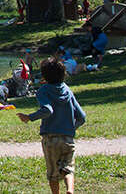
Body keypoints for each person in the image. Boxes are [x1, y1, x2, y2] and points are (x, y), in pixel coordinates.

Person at [17, 57, 87, 194]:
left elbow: (47, 110)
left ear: (44, 75)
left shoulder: (43, 91)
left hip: (50, 139)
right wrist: (71, 128)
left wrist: (29, 117)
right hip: (68, 138)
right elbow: (82, 117)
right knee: (68, 168)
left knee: (53, 174)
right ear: (63, 74)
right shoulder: (67, 90)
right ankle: (70, 190)